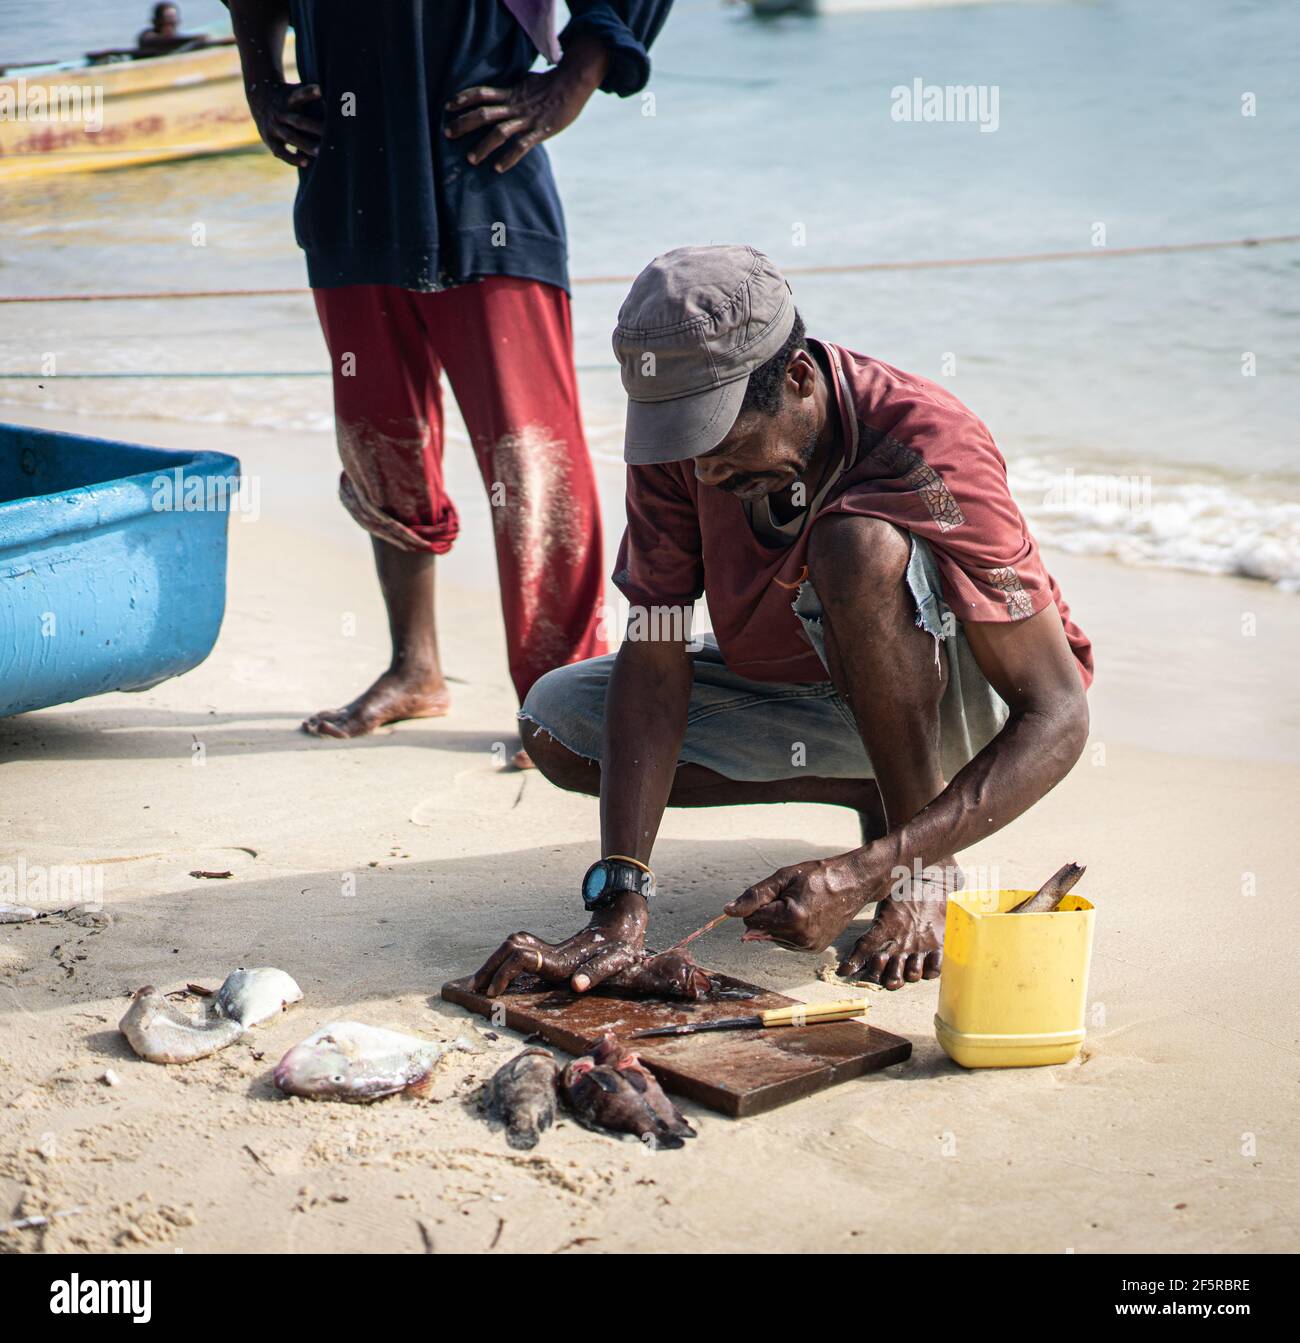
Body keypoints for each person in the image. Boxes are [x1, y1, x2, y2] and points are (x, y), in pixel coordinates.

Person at [470, 244, 1093, 995]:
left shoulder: (926, 441)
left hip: (965, 701)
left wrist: (878, 868)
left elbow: (1059, 711)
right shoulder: (682, 441)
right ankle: (875, 789)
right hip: (813, 690)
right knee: (559, 725)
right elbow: (658, 646)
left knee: (854, 542)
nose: (703, 474)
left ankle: (924, 859)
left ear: (798, 378)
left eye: (723, 444)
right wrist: (619, 900)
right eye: (686, 448)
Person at [227, 2, 672, 760]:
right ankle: (414, 668)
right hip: (348, 189)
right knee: (379, 439)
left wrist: (571, 80)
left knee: (532, 459)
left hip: (488, 183)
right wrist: (262, 87)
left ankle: (558, 693)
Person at [137, 4, 208, 56]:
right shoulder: (147, 37)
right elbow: (163, 41)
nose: (171, 26)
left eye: (174, 22)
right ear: (156, 22)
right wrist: (192, 38)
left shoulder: (179, 41)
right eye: (167, 21)